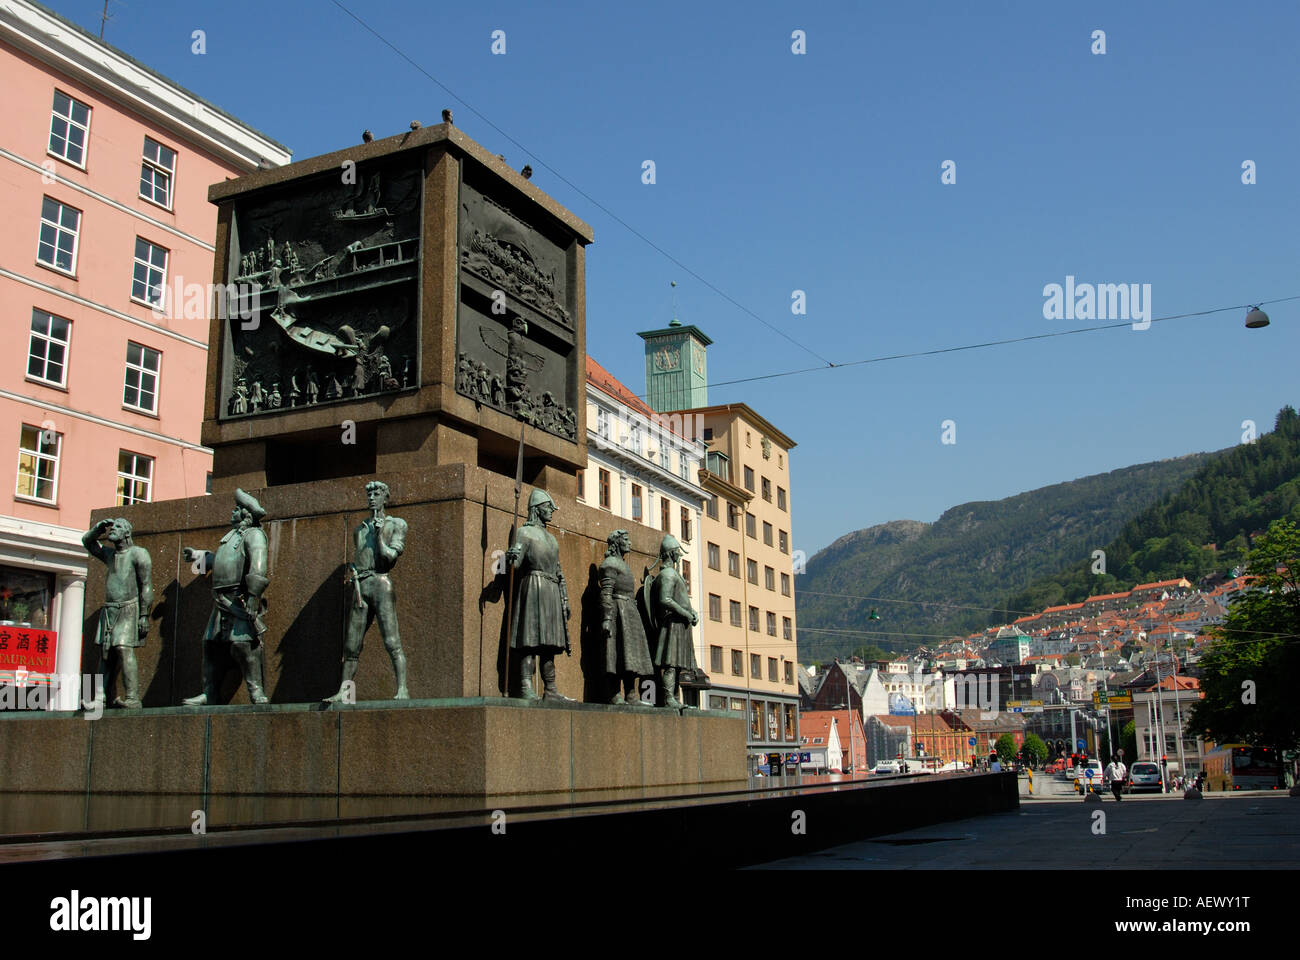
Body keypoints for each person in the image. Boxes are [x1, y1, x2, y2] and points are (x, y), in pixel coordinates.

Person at [181, 488, 271, 705]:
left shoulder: (254, 535)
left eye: (236, 510)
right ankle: (210, 693)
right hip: (220, 601)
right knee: (210, 646)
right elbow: (220, 561)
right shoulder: (229, 537)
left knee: (243, 645)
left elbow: (259, 566)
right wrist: (198, 557)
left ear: (246, 514)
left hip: (238, 599)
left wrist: (253, 596)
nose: (232, 513)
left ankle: (256, 691)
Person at [326, 481, 409, 702]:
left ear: (385, 497)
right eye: (369, 494)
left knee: (392, 641)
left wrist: (380, 534)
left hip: (381, 583)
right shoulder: (359, 529)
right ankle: (345, 693)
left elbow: (390, 557)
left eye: (376, 493)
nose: (371, 497)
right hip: (360, 585)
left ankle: (402, 688)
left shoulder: (396, 524)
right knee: (351, 645)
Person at [506, 488, 572, 700]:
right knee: (530, 639)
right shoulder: (524, 533)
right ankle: (526, 685)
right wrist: (509, 557)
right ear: (536, 509)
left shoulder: (552, 539)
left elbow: (559, 571)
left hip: (551, 590)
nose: (551, 511)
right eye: (547, 507)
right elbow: (514, 565)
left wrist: (564, 598)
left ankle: (550, 688)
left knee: (549, 644)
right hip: (533, 587)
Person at [82, 518, 152, 709]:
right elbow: (87, 542)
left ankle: (132, 698)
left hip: (129, 608)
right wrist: (98, 529)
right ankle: (99, 697)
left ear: (127, 533)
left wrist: (144, 615)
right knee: (106, 654)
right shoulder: (110, 555)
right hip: (110, 609)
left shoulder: (139, 554)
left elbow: (146, 586)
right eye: (112, 527)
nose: (113, 530)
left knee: (123, 648)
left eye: (118, 527)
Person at [598, 530, 654, 704]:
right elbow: (606, 594)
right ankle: (614, 693)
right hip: (617, 611)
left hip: (629, 612)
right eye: (626, 540)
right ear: (617, 542)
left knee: (631, 657)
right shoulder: (609, 564)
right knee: (615, 654)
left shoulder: (624, 565)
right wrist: (607, 619)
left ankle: (631, 694)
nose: (630, 543)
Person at [649, 534, 699, 709]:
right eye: (677, 551)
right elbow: (666, 599)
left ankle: (675, 699)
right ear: (671, 553)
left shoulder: (672, 574)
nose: (680, 554)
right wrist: (686, 613)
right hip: (672, 624)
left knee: (676, 665)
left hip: (679, 624)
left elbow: (679, 598)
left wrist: (691, 611)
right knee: (670, 664)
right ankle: (668, 697)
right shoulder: (668, 574)